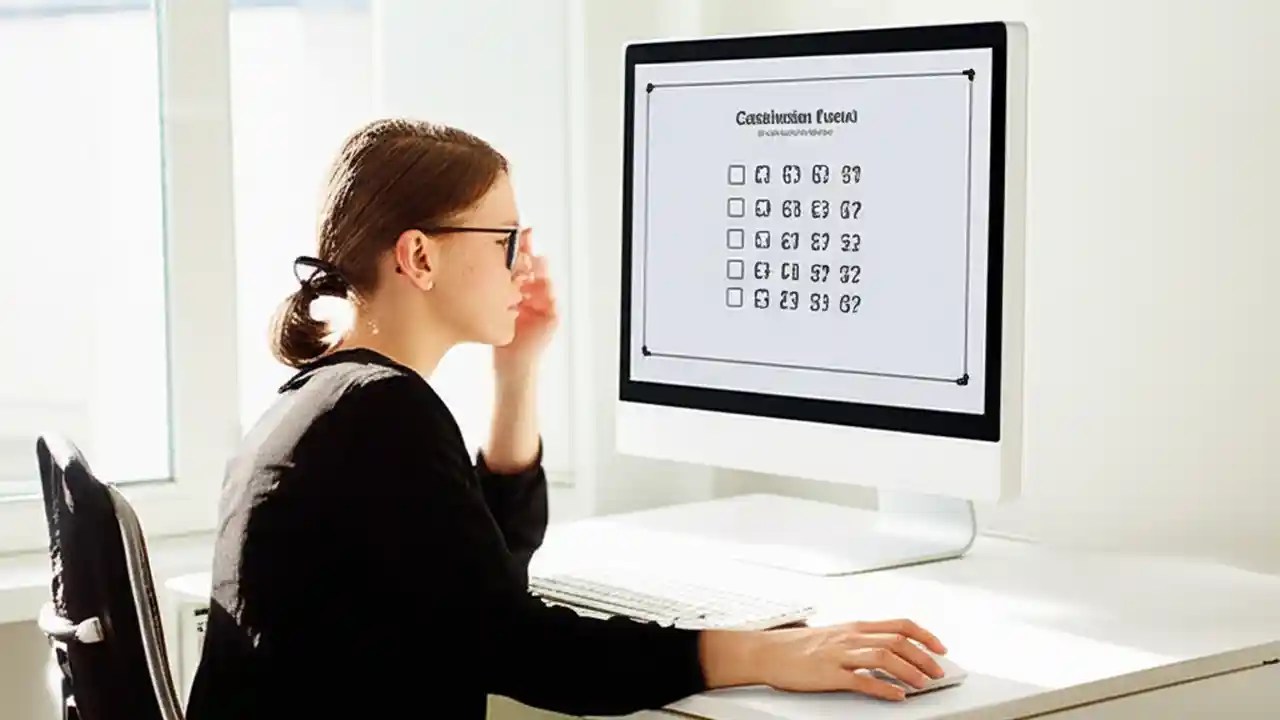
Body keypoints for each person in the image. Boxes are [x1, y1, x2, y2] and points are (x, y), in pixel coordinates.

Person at [183, 118, 950, 720]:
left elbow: (481, 589)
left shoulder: (332, 401)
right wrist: (765, 653)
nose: (524, 264)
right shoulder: (379, 415)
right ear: (418, 257)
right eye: (506, 239)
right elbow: (523, 652)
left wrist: (515, 378)